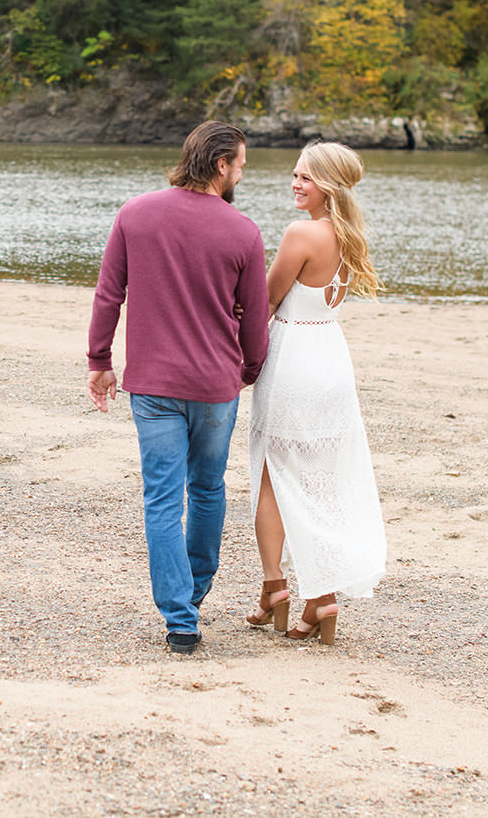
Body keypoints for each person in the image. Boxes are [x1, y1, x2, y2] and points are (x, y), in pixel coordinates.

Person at [87, 121, 270, 655]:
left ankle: (180, 617)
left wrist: (100, 360)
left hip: (155, 386)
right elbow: (255, 322)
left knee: (162, 497)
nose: (241, 173)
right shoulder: (243, 231)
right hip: (216, 385)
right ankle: (195, 592)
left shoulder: (135, 214)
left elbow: (108, 295)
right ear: (221, 165)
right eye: (240, 164)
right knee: (208, 488)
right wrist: (250, 370)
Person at [245, 140, 387, 645]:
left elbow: (265, 301)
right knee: (318, 480)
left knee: (271, 475)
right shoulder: (351, 235)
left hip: (294, 357)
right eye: (295, 174)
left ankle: (275, 587)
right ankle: (320, 599)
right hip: (331, 357)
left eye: (305, 176)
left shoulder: (301, 233)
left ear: (326, 184)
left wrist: (237, 358)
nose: (295, 182)